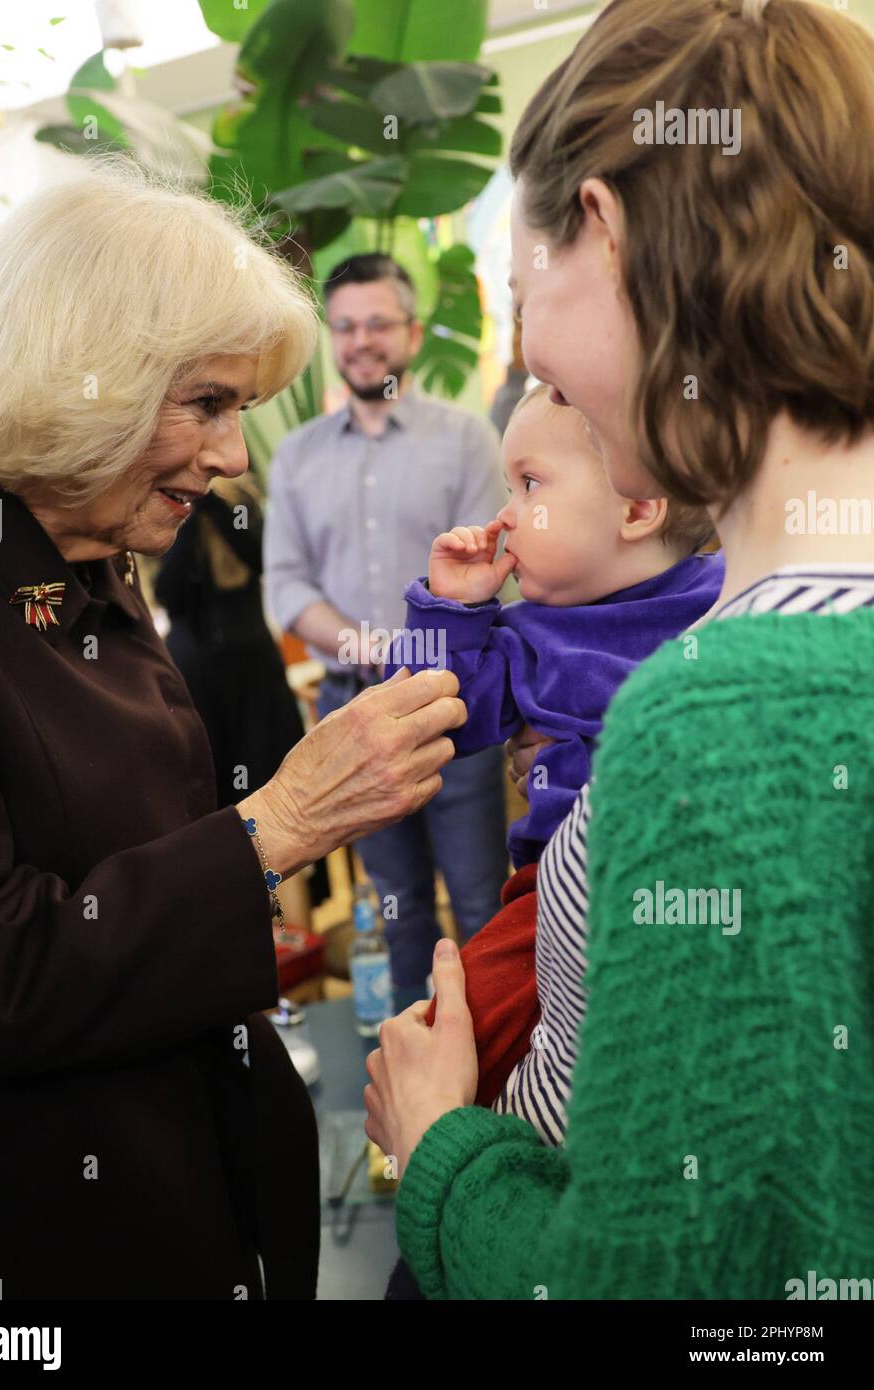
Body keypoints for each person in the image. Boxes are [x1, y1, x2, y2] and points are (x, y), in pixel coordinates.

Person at [366, 0, 874, 1299]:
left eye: (525, 264)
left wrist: (441, 1148)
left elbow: (643, 1274)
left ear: (602, 227)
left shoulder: (731, 715)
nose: (523, 328)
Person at [0, 159, 467, 1300]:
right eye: (207, 405)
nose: (229, 463)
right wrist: (275, 826)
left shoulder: (83, 547)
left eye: (241, 414)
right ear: (85, 378)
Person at [264, 253, 510, 996]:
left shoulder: (466, 440)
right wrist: (365, 645)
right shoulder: (299, 456)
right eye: (344, 326)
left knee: (478, 902)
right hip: (350, 706)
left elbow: (492, 575)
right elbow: (286, 584)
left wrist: (410, 651)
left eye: (377, 323)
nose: (361, 340)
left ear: (409, 331)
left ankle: (492, 1086)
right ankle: (410, 1073)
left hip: (450, 706)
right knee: (396, 909)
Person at [388, 388, 723, 865]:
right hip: (561, 892)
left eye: (529, 483)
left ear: (637, 509)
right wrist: (450, 608)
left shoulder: (736, 599)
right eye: (509, 490)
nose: (504, 517)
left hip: (711, 878)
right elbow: (417, 717)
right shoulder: (523, 641)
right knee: (489, 945)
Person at [154, 474, 306, 809]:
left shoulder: (241, 498)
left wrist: (214, 506)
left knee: (268, 768)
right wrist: (190, 517)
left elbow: (260, 558)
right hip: (197, 672)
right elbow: (167, 592)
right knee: (216, 780)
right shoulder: (162, 509)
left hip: (253, 663)